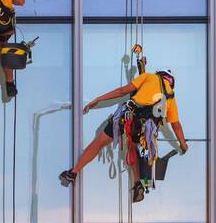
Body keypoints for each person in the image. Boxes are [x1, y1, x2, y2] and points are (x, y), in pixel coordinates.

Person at [59, 64, 189, 203]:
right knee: (132, 147)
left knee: (98, 144)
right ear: (171, 82)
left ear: (159, 74)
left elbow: (122, 91)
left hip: (127, 116)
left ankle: (73, 172)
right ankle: (137, 183)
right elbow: (176, 125)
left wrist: (97, 100)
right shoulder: (171, 97)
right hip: (145, 126)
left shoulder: (149, 76)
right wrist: (183, 144)